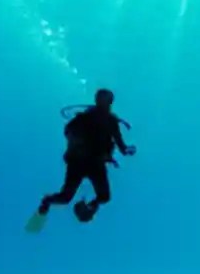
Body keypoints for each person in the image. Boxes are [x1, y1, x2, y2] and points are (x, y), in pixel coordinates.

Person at [37, 88, 135, 225]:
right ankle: (49, 202)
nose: (103, 103)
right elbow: (68, 131)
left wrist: (127, 150)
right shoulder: (86, 118)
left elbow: (121, 145)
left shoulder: (110, 121)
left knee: (103, 197)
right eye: (101, 100)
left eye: (105, 100)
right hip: (80, 161)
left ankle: (86, 209)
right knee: (68, 197)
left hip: (92, 162)